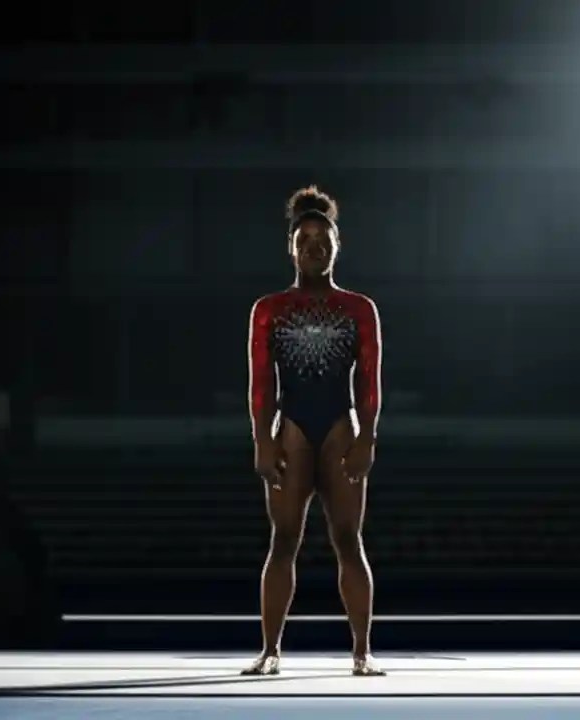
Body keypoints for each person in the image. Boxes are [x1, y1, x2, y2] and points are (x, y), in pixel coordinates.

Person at [242, 185, 385, 677]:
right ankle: (270, 650)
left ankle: (362, 651)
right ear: (291, 247)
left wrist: (368, 437)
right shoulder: (269, 309)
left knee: (349, 540)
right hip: (293, 429)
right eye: (305, 240)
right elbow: (261, 381)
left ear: (337, 246)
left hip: (340, 428)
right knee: (283, 541)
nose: (314, 247)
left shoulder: (360, 308)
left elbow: (369, 379)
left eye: (323, 240)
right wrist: (262, 439)